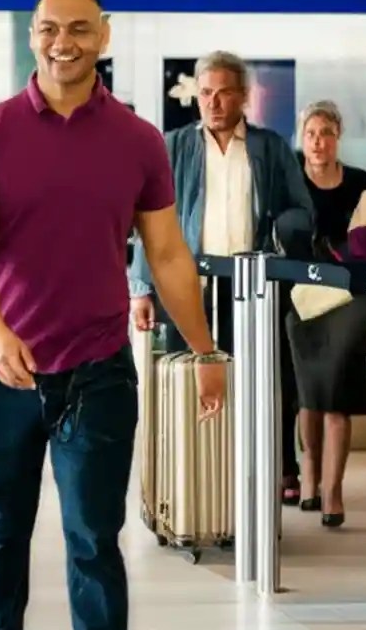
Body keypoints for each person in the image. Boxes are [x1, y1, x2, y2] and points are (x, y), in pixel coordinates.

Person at [0, 0, 223, 630]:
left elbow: (166, 254)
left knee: (95, 538)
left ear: (102, 36)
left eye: (76, 29)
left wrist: (205, 349)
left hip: (98, 366)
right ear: (32, 35)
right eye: (47, 29)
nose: (61, 43)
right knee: (4, 525)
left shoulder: (137, 140)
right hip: (3, 367)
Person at [128, 50, 315, 507]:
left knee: (253, 389)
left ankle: (247, 501)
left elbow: (302, 211)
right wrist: (142, 288)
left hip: (252, 289)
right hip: (188, 287)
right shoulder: (173, 147)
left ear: (243, 97)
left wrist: (281, 231)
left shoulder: (270, 148)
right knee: (191, 388)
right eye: (205, 92)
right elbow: (149, 222)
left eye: (223, 92)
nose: (213, 102)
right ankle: (189, 496)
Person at [286, 100, 366, 528]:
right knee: (310, 395)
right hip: (303, 299)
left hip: (348, 298)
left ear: (338, 135)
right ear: (301, 138)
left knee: (338, 394)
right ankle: (309, 479)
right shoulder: (288, 178)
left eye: (325, 132)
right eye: (310, 133)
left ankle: (334, 492)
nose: (318, 142)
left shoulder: (359, 181)